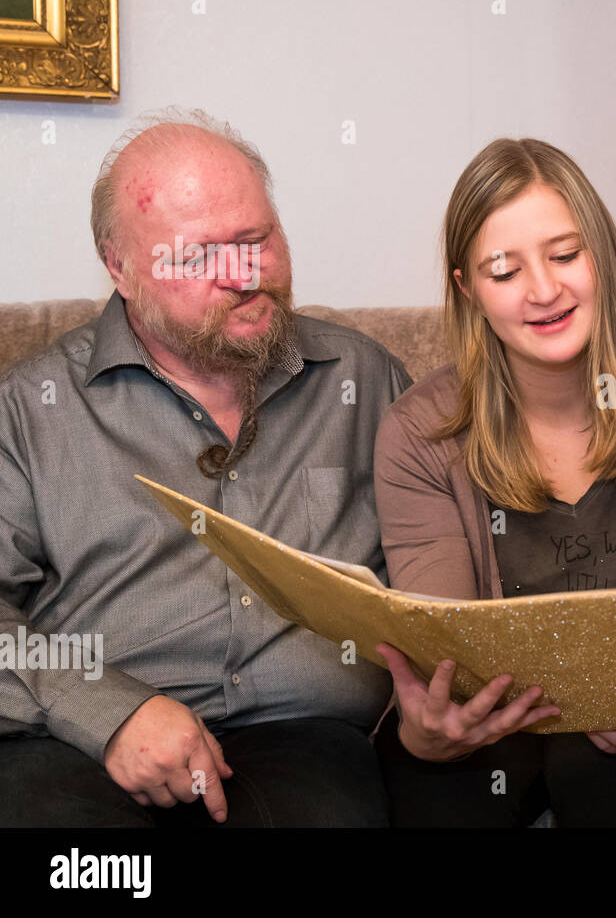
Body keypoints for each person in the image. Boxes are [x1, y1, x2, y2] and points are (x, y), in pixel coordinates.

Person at [0, 109, 413, 827]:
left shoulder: (365, 379)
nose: (243, 276)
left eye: (257, 240)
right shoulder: (32, 407)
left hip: (307, 742)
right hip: (79, 742)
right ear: (119, 268)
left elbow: (451, 567)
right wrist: (107, 709)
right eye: (196, 258)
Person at [371, 137, 616, 827]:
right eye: (503, 270)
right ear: (467, 288)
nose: (544, 291)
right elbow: (447, 652)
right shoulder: (417, 431)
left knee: (601, 772)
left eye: (565, 255)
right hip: (490, 723)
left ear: (604, 256)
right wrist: (429, 729)